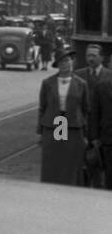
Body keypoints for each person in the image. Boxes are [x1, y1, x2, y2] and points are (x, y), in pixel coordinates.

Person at [37, 46, 91, 185]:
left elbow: (85, 109)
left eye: (67, 61)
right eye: (61, 62)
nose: (65, 64)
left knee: (71, 161)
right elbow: (43, 107)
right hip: (55, 124)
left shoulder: (81, 84)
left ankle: (70, 190)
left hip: (73, 126)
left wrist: (85, 133)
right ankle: (51, 189)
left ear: (72, 62)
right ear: (57, 65)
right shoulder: (48, 83)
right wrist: (40, 132)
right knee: (53, 160)